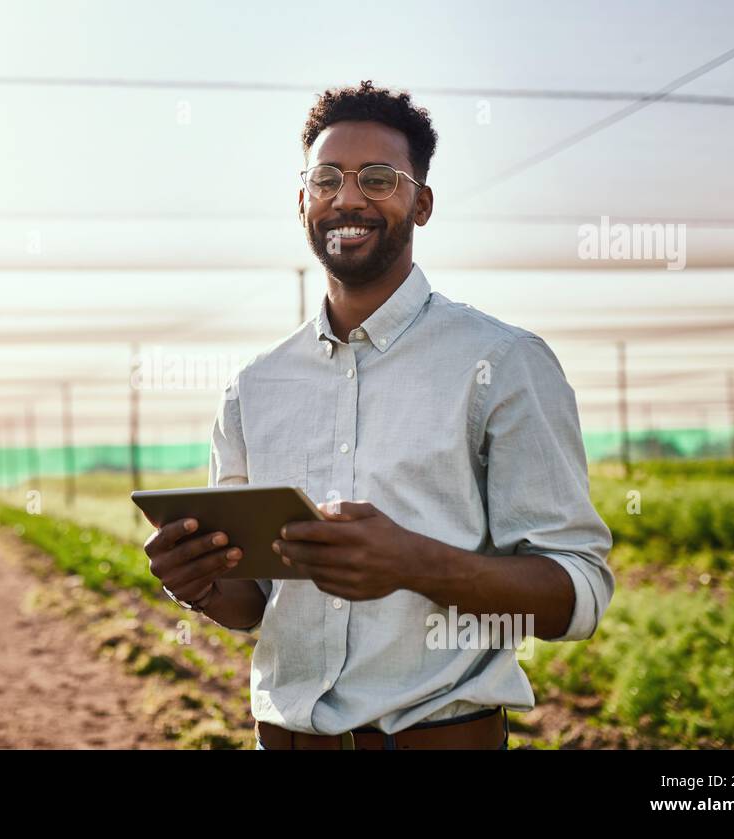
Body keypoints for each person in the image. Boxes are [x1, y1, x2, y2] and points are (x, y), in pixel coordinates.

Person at [141, 80, 614, 750]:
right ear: (302, 200)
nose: (349, 197)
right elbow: (253, 605)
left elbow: (577, 591)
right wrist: (201, 584)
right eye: (327, 178)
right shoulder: (255, 385)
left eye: (379, 179)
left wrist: (412, 563)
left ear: (421, 202)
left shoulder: (503, 362)